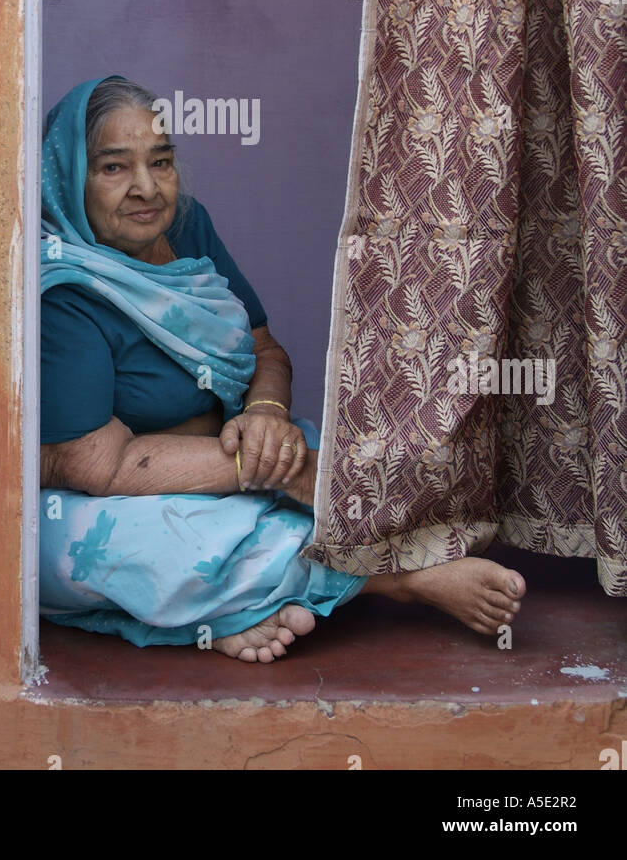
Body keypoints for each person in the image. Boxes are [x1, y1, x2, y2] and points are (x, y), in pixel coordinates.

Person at [39, 76, 526, 663]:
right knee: (130, 548)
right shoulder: (65, 292)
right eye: (114, 168)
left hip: (218, 463)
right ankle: (395, 579)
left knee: (356, 464)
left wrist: (267, 413)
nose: (146, 188)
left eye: (161, 162)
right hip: (110, 497)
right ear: (71, 178)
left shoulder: (187, 227)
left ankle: (222, 617)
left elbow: (264, 349)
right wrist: (263, 468)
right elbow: (100, 466)